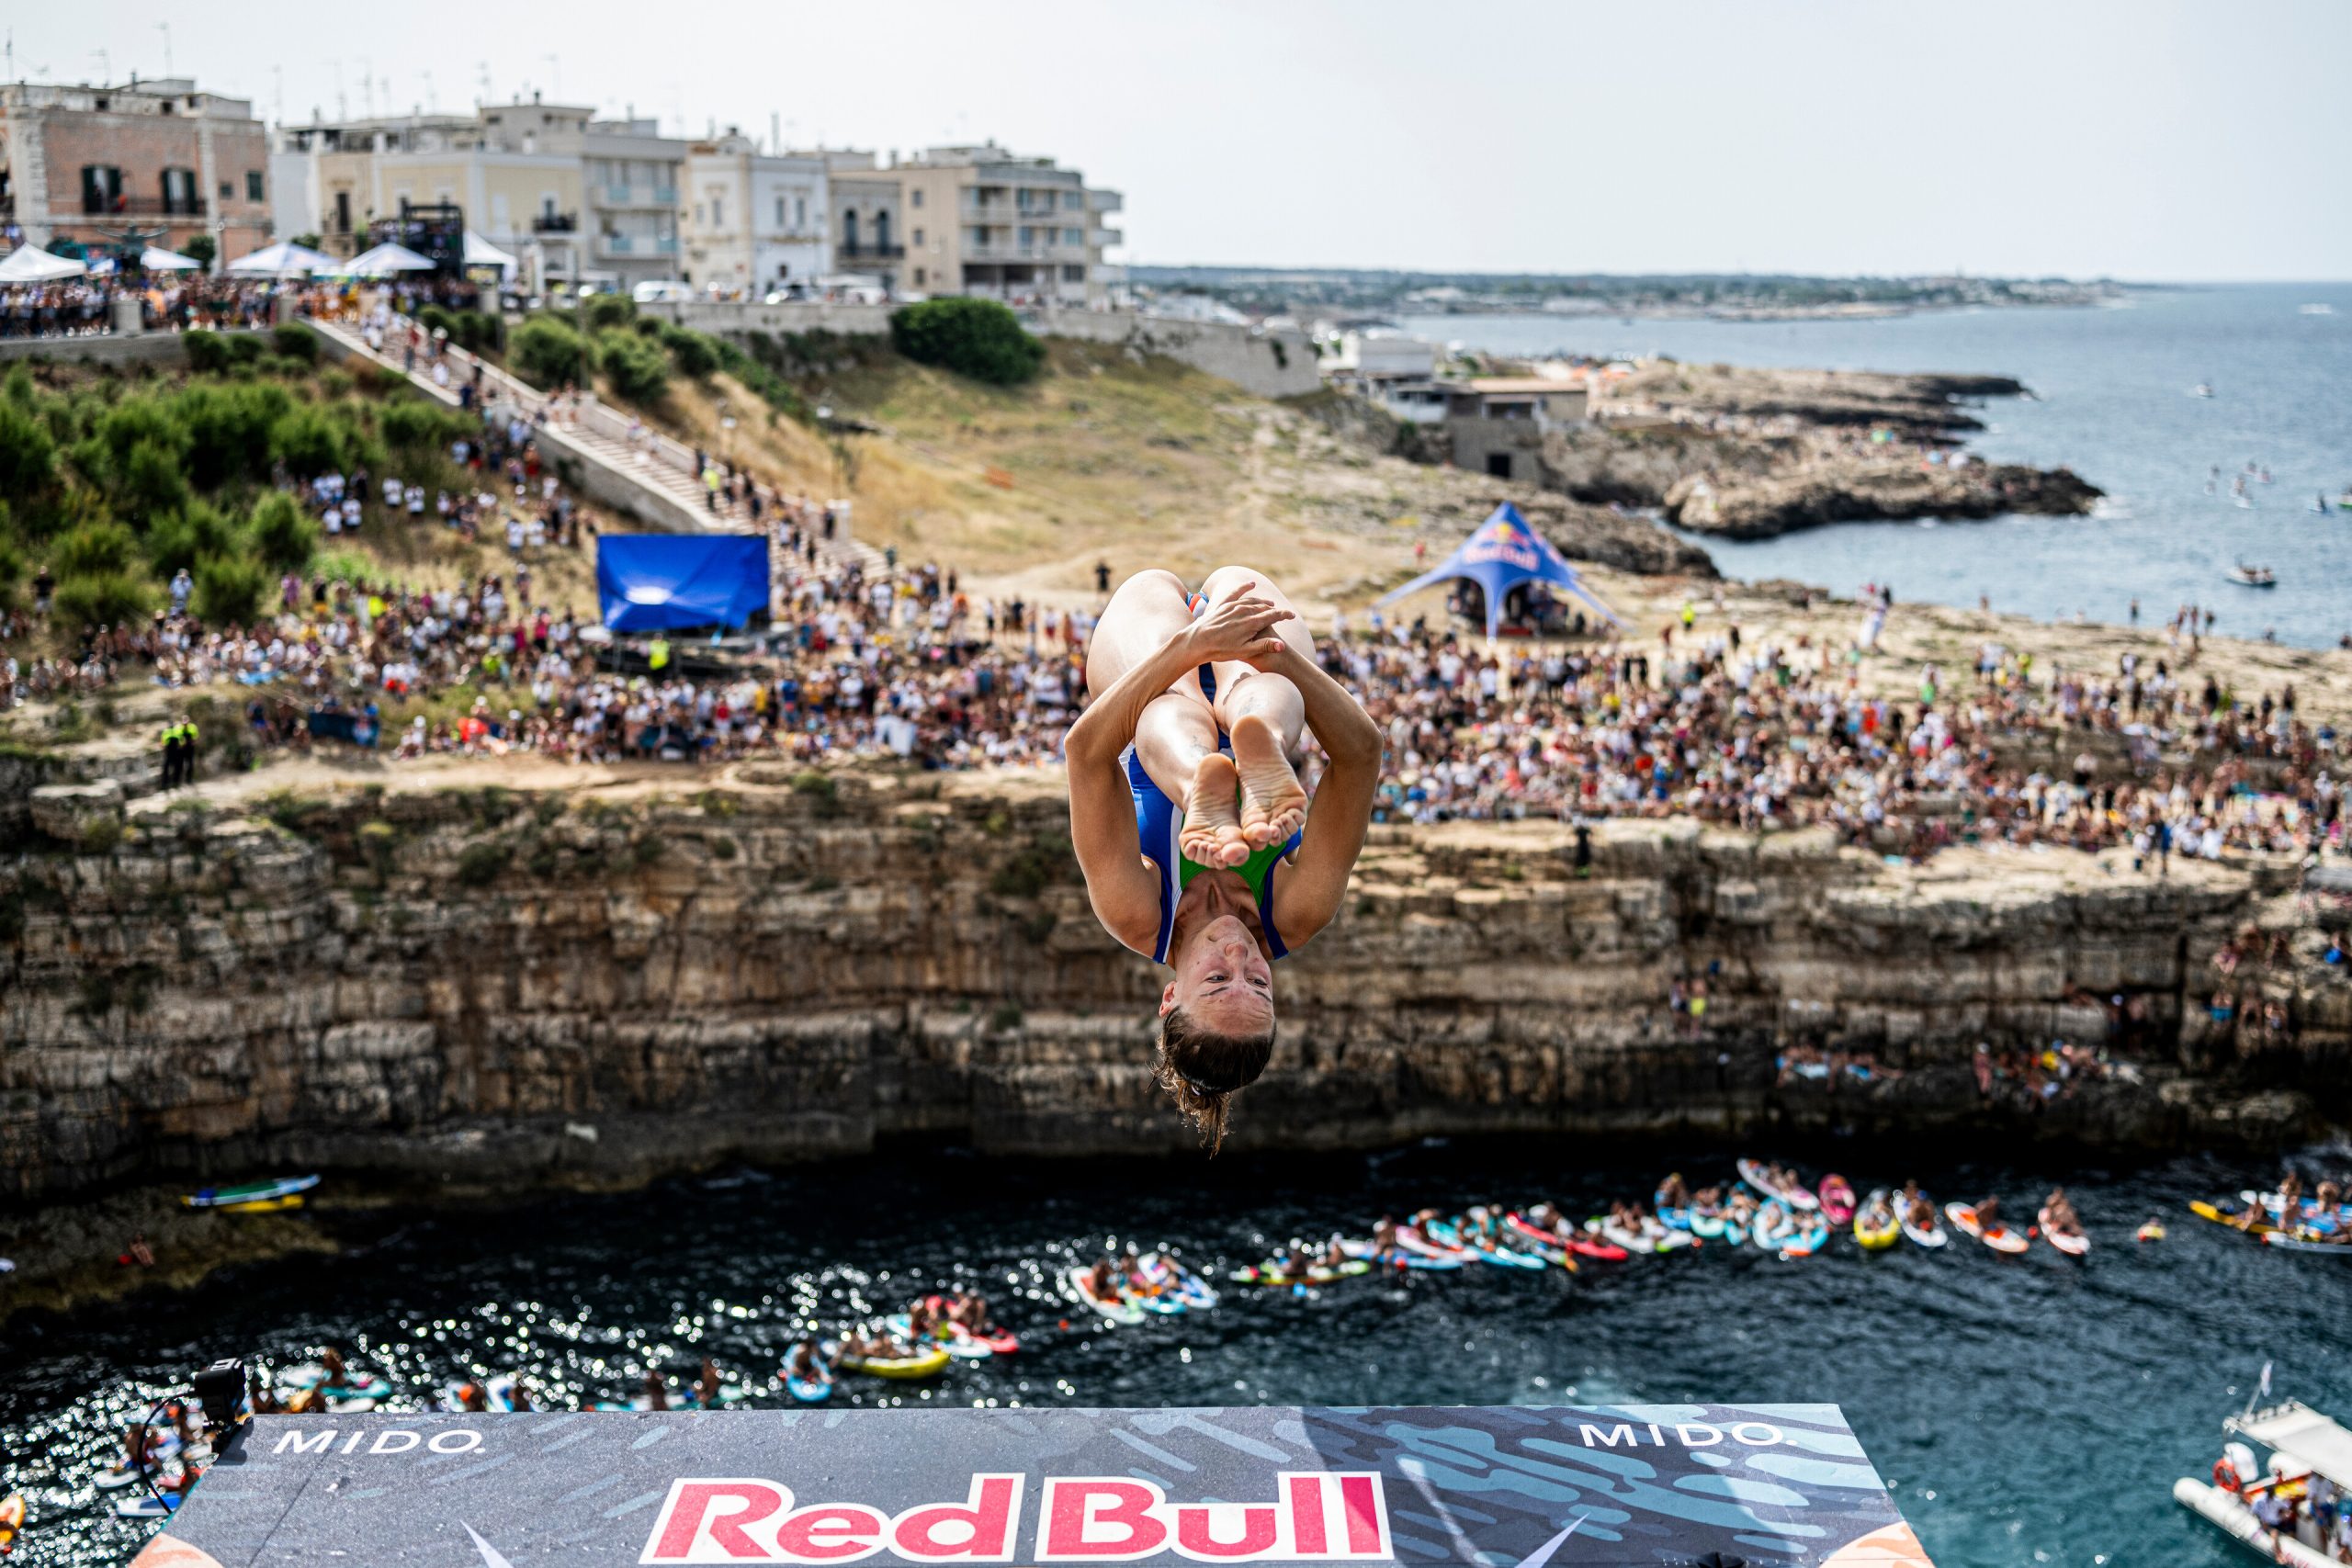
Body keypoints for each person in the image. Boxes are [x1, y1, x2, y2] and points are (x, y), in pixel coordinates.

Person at [1066, 569, 1382, 1151]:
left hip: (1156, 678)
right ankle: (1257, 734)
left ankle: (1195, 786)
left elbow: (1086, 756)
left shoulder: (1135, 911)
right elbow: (1360, 756)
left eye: (1217, 979)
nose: (1241, 957)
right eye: (1258, 984)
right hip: (1256, 680)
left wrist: (1192, 645)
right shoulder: (1296, 911)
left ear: (1170, 998)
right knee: (1264, 692)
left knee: (1172, 710)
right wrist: (1272, 654)